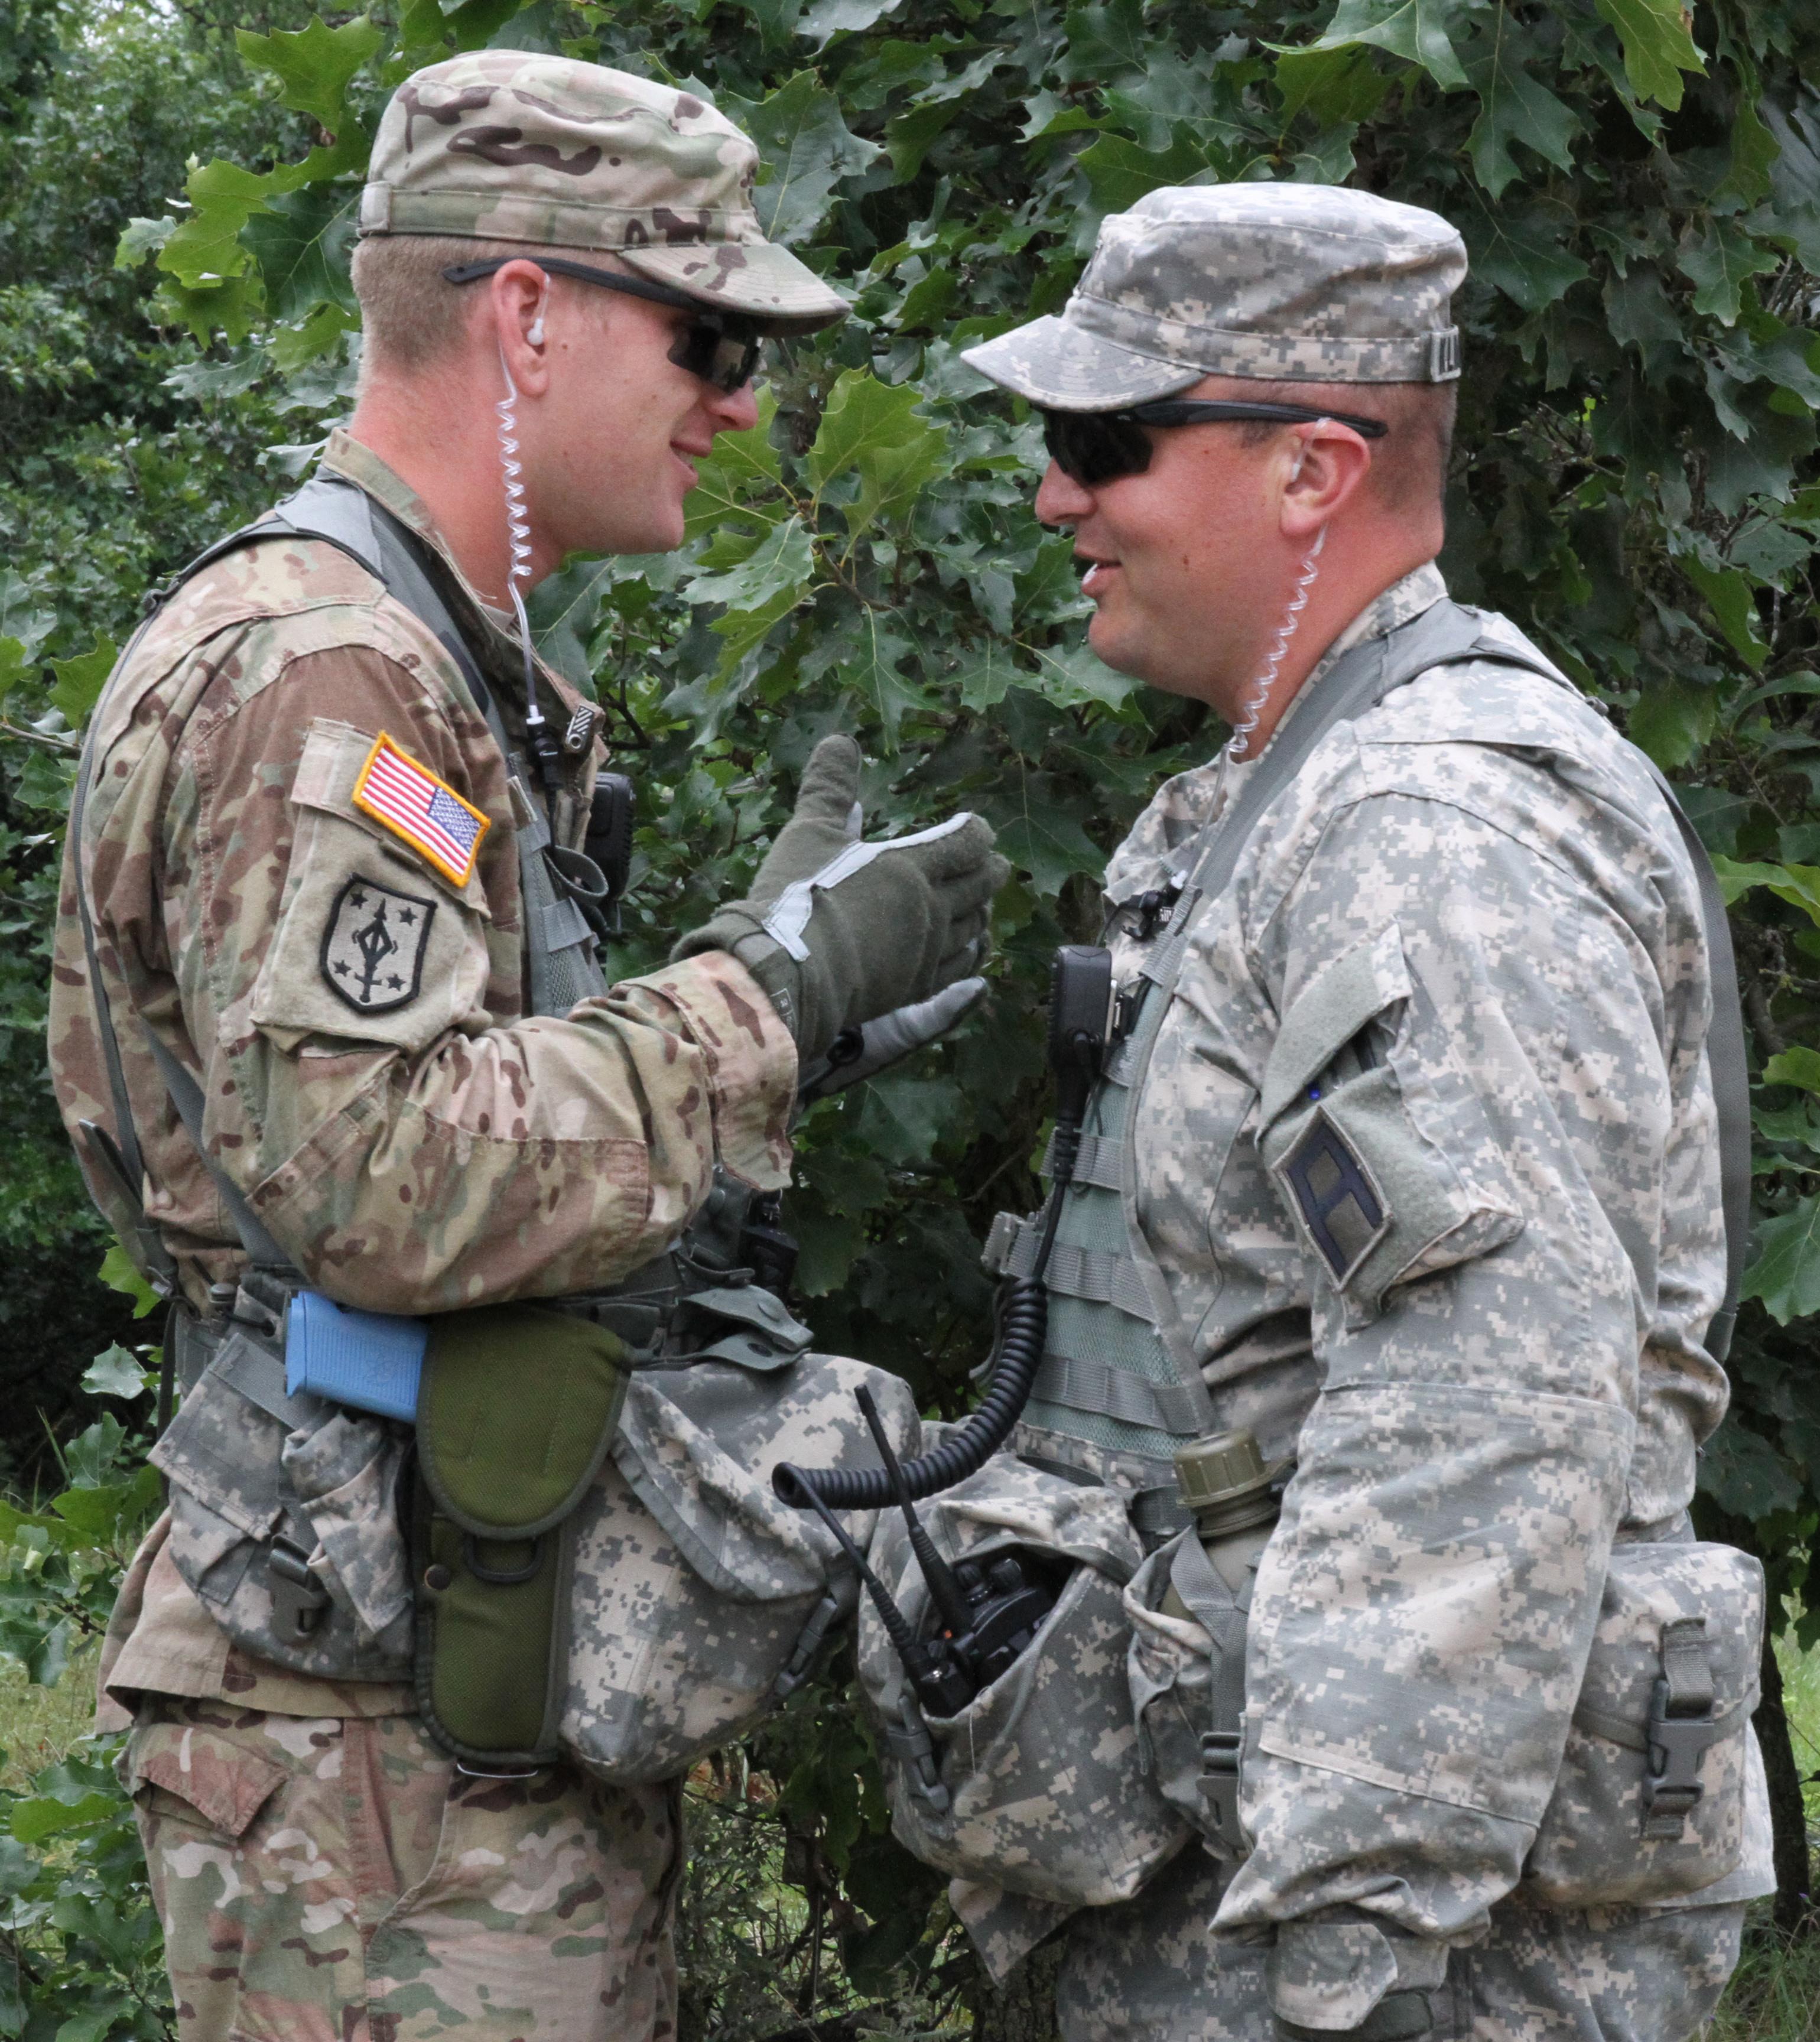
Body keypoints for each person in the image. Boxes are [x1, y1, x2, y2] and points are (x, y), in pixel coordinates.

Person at [48, 51, 1003, 2042]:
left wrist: (770, 1026)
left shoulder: (417, 654)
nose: (743, 402)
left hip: (415, 1681)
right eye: (712, 335)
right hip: (367, 1747)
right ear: (531, 314)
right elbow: (373, 1179)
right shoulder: (339, 674)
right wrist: (764, 1002)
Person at [935, 182, 1773, 2038]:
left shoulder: (1430, 831)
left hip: (1394, 1943)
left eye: (1106, 441)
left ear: (1313, 471)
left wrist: (1351, 1948)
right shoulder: (1285, 796)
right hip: (1249, 1849)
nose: (1056, 495)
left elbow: (1480, 1424)